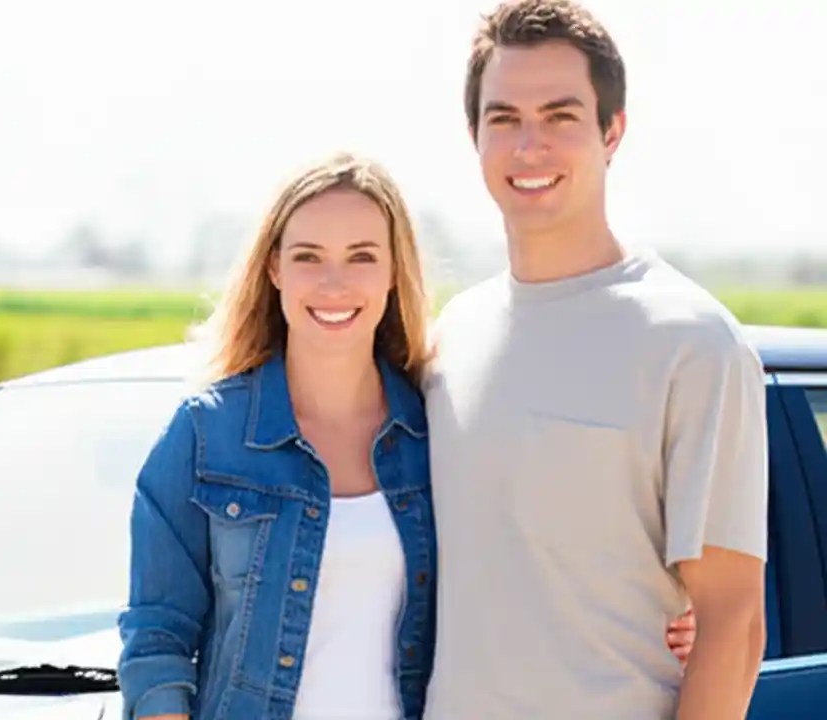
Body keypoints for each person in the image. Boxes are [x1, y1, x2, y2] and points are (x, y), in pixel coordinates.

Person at [116, 152, 696, 720]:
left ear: (394, 271)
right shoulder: (205, 435)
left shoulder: (438, 429)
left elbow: (535, 561)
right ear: (274, 269)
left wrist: (660, 609)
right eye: (308, 256)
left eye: (362, 256)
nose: (334, 283)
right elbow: (157, 639)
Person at [422, 1, 768, 719]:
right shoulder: (450, 337)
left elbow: (733, 626)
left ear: (612, 131)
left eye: (560, 116)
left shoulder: (694, 341)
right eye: (505, 118)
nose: (529, 146)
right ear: (474, 136)